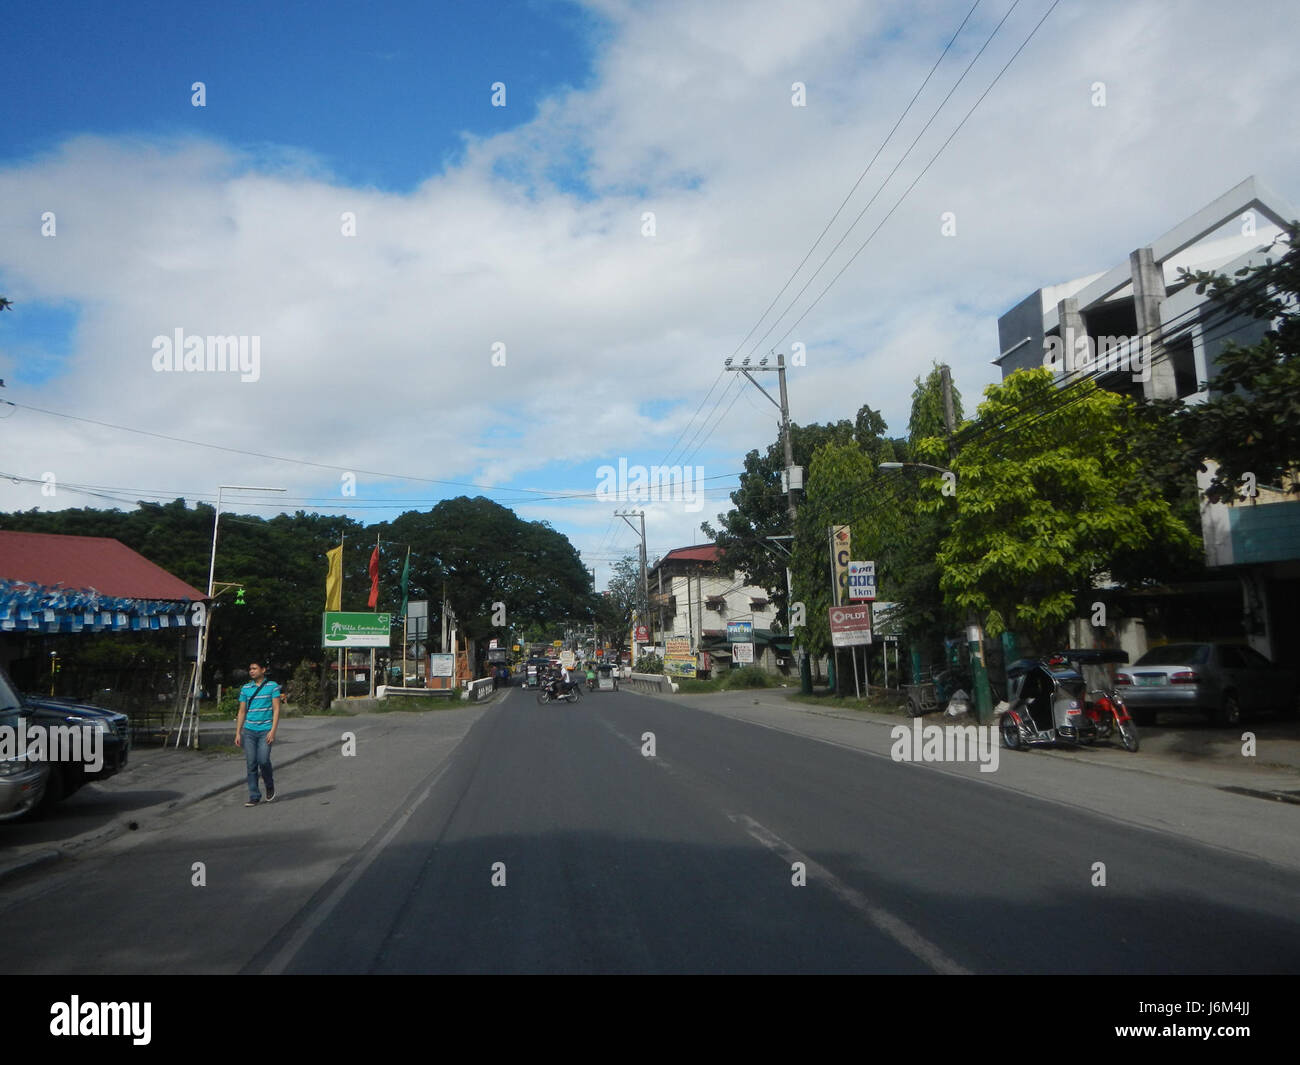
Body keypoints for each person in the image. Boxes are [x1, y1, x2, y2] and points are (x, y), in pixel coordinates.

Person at [235, 660, 281, 806]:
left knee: (263, 760)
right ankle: (254, 795)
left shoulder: (272, 686)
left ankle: (269, 785)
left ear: (263, 670)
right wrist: (238, 732)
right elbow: (242, 711)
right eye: (250, 669)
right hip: (249, 731)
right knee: (251, 763)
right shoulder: (246, 688)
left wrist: (273, 731)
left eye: (254, 668)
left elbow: (276, 710)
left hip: (265, 730)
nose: (251, 671)